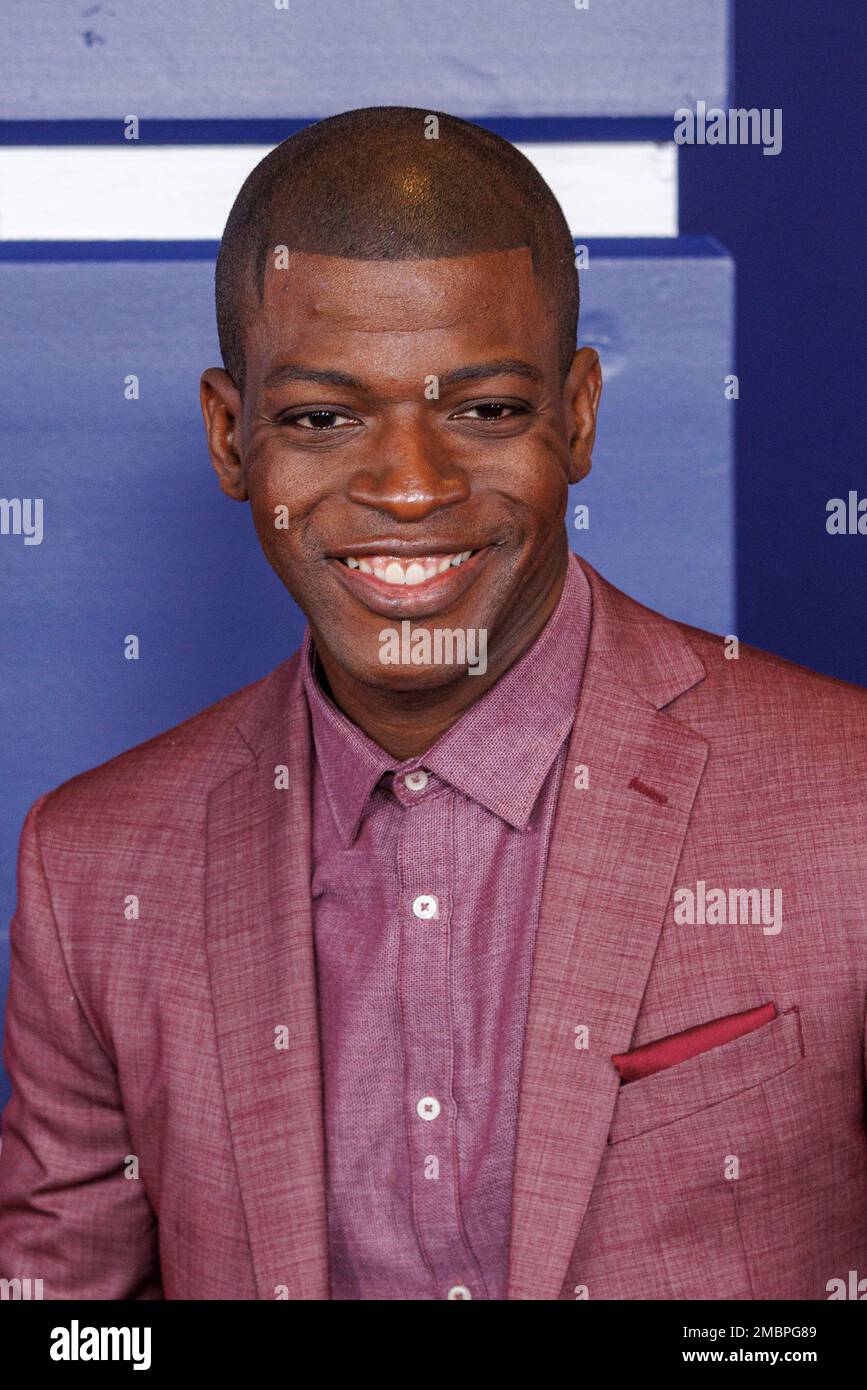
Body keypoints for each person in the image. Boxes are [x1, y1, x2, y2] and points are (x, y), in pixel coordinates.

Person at [0, 107, 865, 1301]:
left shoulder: (847, 799)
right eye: (321, 417)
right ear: (228, 433)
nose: (410, 487)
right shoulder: (91, 868)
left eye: (485, 410)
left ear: (578, 417)